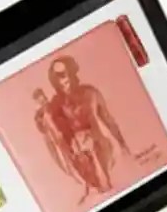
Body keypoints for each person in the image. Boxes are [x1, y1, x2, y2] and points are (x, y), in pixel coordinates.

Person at [43, 55, 129, 200]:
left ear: (72, 73)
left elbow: (108, 121)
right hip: (79, 150)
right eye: (57, 77)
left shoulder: (90, 93)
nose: (62, 80)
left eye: (65, 74)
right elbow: (58, 138)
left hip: (101, 142)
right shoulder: (55, 105)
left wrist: (124, 147)